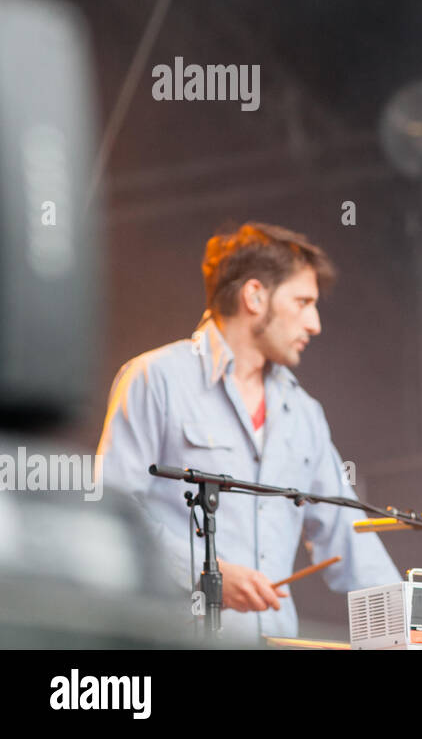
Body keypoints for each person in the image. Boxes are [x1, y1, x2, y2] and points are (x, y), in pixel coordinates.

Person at [97, 222, 400, 641]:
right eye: (303, 301)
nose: (314, 323)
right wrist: (207, 574)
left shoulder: (305, 413)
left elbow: (350, 539)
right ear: (254, 296)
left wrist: (421, 627)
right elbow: (114, 513)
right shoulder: (156, 378)